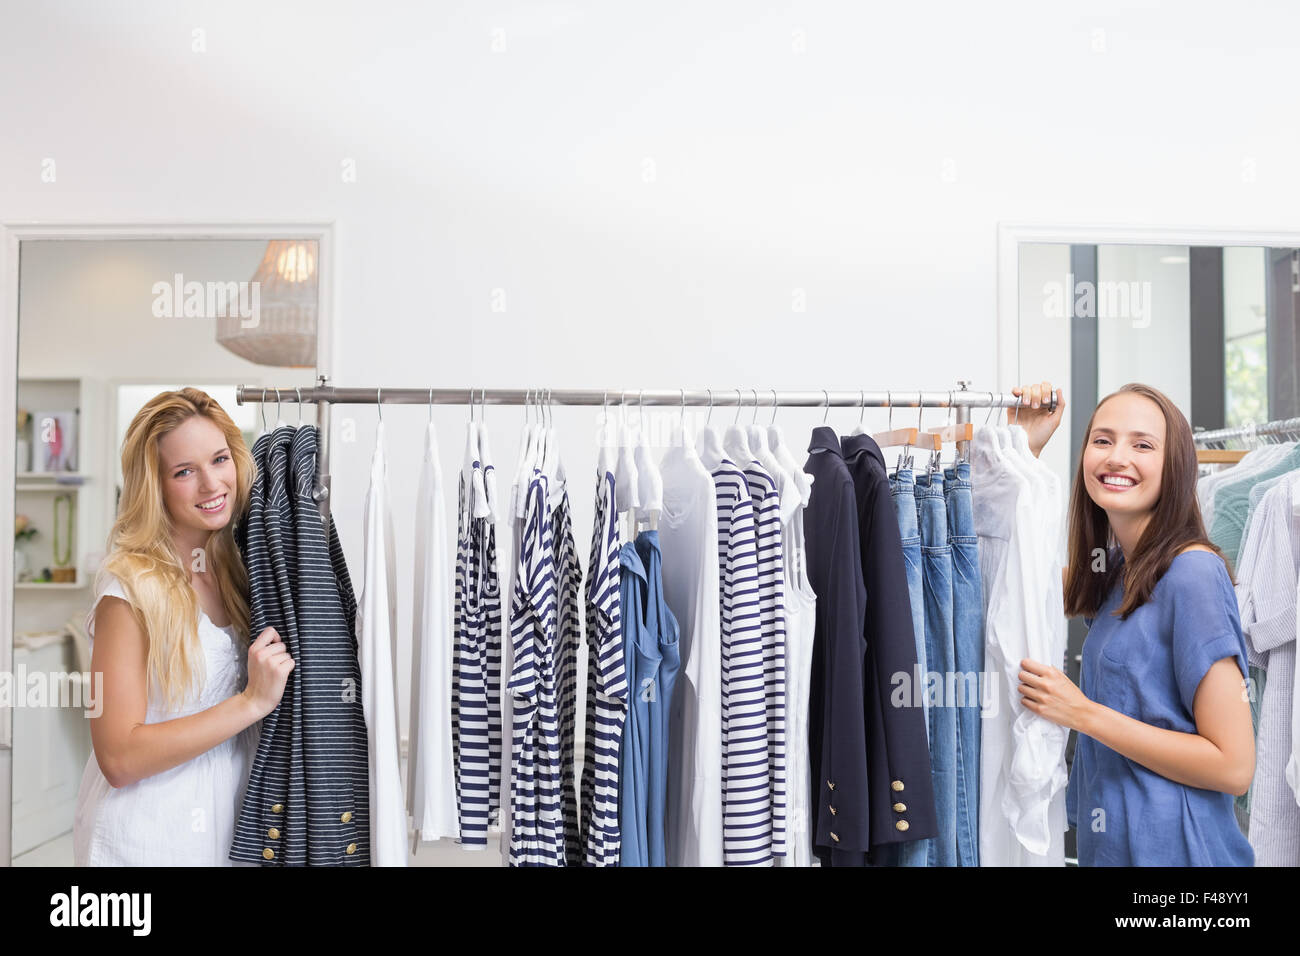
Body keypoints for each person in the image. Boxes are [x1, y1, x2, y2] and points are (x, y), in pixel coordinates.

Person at [1011, 380, 1255, 866]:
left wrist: (1082, 714)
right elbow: (1011, 578)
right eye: (1103, 440)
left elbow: (1234, 766)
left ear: (1176, 466)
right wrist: (1025, 448)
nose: (1117, 457)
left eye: (1142, 444)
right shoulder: (1118, 568)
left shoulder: (1192, 572)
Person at [73, 387, 293, 866]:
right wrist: (251, 702)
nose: (212, 484)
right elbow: (119, 758)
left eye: (219, 459)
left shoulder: (238, 569)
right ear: (155, 485)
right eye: (184, 471)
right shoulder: (128, 588)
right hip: (149, 837)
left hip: (228, 828)